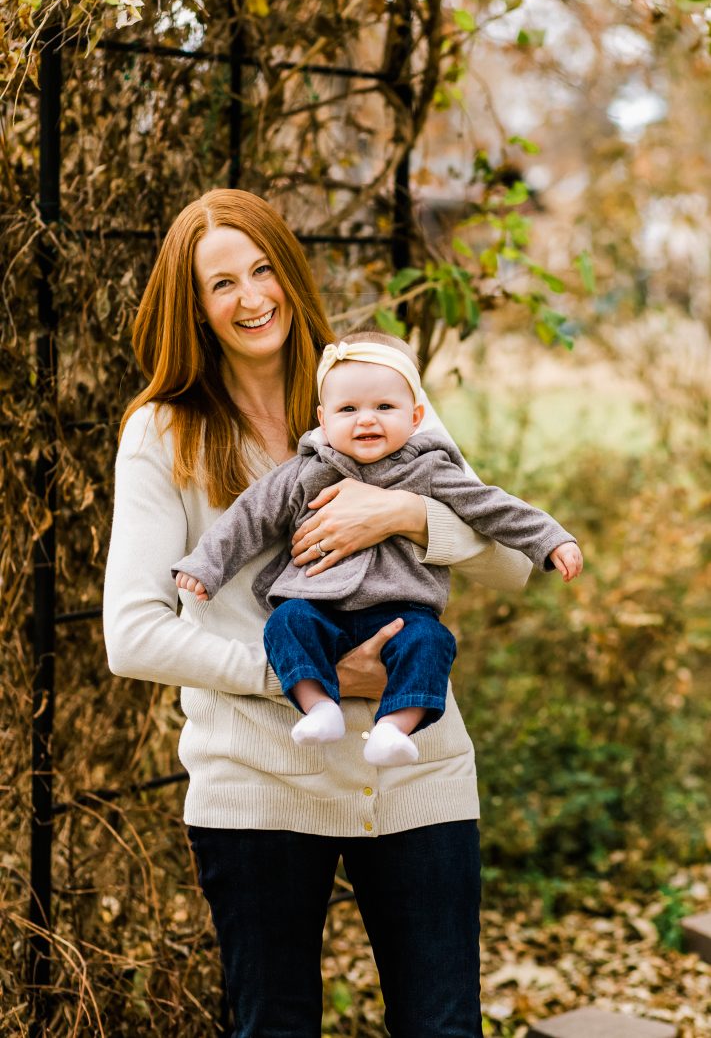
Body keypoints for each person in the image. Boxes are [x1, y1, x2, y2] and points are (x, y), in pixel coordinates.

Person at [103, 187, 535, 1038]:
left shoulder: (369, 389)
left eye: (264, 269)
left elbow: (515, 562)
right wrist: (296, 676)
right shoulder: (163, 433)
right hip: (258, 782)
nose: (252, 297)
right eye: (221, 283)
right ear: (192, 305)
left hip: (417, 773)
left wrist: (406, 515)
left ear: (293, 274)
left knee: (443, 1026)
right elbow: (133, 633)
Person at [172, 334, 582, 767]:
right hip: (317, 604)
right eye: (348, 409)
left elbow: (492, 506)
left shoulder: (429, 469)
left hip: (402, 610)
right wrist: (206, 566)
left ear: (416, 416)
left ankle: (394, 727)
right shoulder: (306, 472)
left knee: (432, 641)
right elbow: (247, 518)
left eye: (384, 408)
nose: (366, 420)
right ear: (323, 420)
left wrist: (550, 538)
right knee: (285, 625)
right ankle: (318, 707)